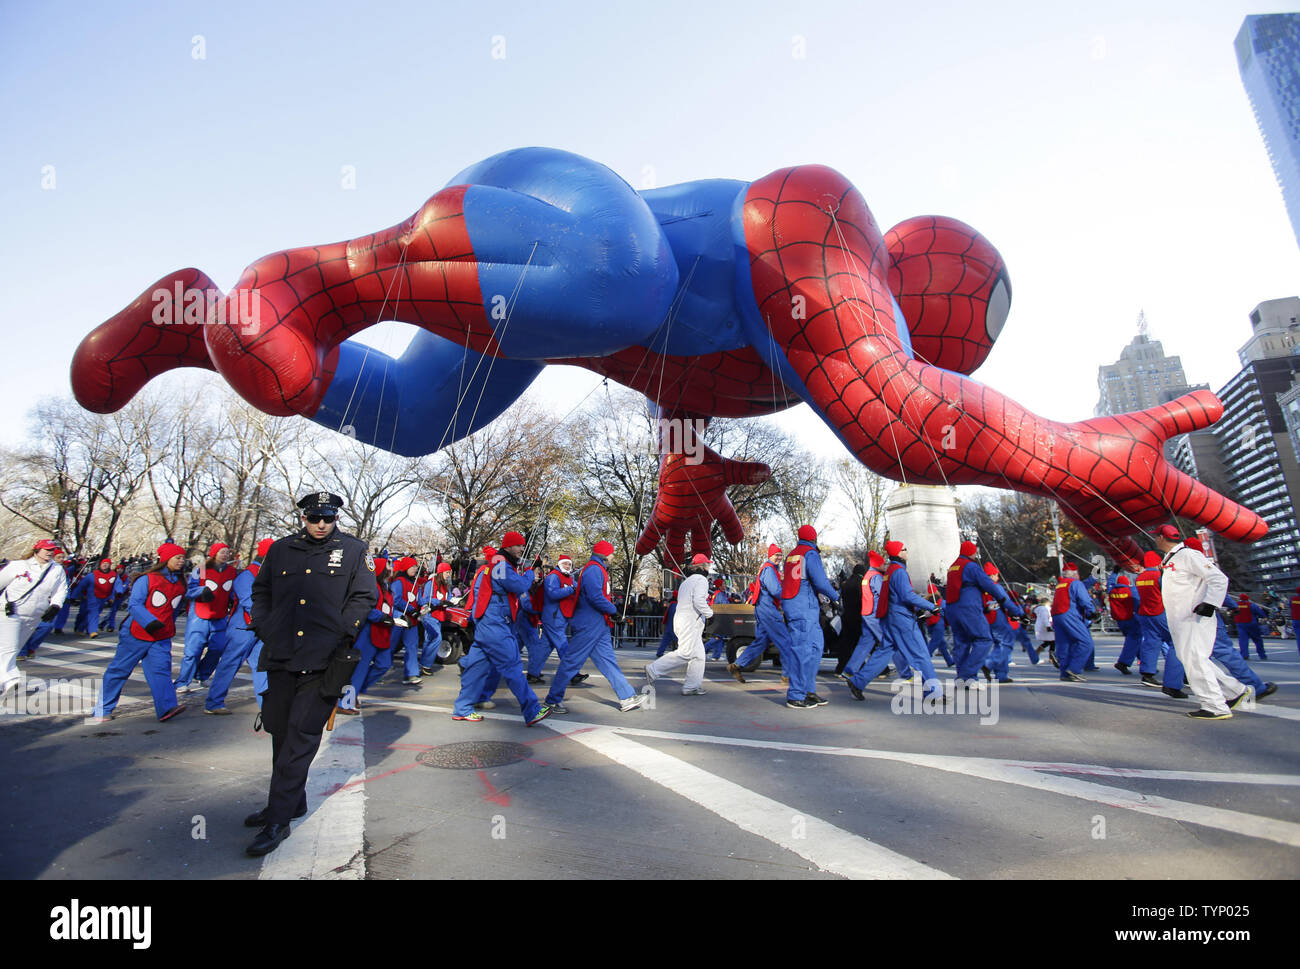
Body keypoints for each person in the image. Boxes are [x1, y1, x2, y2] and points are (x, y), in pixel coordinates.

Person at [244, 492, 375, 857]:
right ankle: (288, 802)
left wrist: (342, 630)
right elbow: (262, 590)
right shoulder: (282, 549)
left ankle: (279, 819)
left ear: (335, 518)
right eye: (314, 517)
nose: (321, 524)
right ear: (303, 517)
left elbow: (365, 595)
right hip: (282, 654)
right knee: (280, 731)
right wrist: (264, 624)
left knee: (301, 736)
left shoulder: (351, 550)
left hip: (324, 659)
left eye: (328, 518)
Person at [452, 532, 555, 724]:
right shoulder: (500, 565)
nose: (521, 549)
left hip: (488, 624)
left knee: (476, 667)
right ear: (508, 546)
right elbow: (516, 585)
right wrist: (531, 574)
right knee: (512, 665)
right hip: (496, 625)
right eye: (518, 546)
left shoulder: (494, 565)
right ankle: (532, 710)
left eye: (522, 546)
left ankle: (463, 708)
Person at [544, 540, 648, 714]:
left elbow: (596, 596)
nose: (613, 555)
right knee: (571, 662)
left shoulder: (595, 568)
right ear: (605, 553)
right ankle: (552, 700)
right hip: (589, 623)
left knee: (607, 662)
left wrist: (611, 612)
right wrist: (614, 611)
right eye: (612, 552)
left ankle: (627, 697)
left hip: (596, 623)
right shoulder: (594, 569)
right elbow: (595, 596)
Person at [91, 542, 189, 723]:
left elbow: (174, 609)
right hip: (136, 633)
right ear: (166, 559)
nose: (181, 561)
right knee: (119, 670)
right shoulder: (147, 579)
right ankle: (102, 709)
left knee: (161, 671)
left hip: (161, 636)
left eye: (183, 558)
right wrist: (149, 621)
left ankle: (166, 707)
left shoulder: (180, 583)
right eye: (178, 557)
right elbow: (134, 604)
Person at [1152, 524, 1241, 720]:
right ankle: (1234, 691)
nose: (1155, 540)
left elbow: (1219, 579)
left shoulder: (1189, 555)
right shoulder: (1172, 559)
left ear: (1161, 538)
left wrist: (1210, 604)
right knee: (1192, 658)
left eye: (1156, 537)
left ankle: (1215, 706)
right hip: (1181, 617)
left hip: (1194, 616)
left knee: (1195, 659)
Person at [204, 539, 274, 715]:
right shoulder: (247, 575)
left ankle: (266, 706)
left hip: (261, 628)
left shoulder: (268, 574)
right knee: (230, 663)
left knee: (261, 666)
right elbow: (248, 601)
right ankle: (214, 702)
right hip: (242, 628)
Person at [0, 539, 68, 699]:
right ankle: (12, 680)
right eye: (46, 549)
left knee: (15, 647)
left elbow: (61, 589)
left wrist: (55, 605)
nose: (50, 552)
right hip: (10, 612)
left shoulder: (57, 569)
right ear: (37, 550)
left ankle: (4, 680)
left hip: (35, 614)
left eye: (52, 550)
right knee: (8, 648)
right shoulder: (19, 566)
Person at [946, 540, 1019, 688]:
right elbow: (989, 585)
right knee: (984, 639)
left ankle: (967, 680)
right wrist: (1011, 607)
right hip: (968, 607)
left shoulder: (952, 567)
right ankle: (967, 675)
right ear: (972, 552)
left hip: (952, 607)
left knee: (962, 644)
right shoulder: (971, 567)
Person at [780, 525, 839, 709]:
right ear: (814, 538)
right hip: (803, 606)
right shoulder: (810, 553)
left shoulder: (792, 554)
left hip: (800, 606)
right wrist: (837, 597)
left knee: (815, 647)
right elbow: (820, 581)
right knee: (803, 650)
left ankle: (808, 690)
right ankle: (796, 695)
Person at [336, 557, 396, 714]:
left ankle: (355, 691)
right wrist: (382, 617)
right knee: (359, 669)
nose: (391, 568)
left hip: (383, 632)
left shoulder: (386, 587)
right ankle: (345, 703)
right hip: (368, 632)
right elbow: (366, 608)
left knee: (384, 664)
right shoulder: (373, 588)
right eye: (388, 565)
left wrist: (395, 619)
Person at [645, 553, 713, 694]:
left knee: (698, 655)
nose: (709, 566)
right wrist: (710, 614)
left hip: (683, 620)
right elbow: (699, 601)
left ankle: (691, 686)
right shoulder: (701, 580)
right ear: (703, 566)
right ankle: (653, 669)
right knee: (686, 653)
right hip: (690, 622)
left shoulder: (687, 581)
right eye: (708, 564)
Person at [176, 543, 238, 693]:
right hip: (200, 615)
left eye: (227, 552)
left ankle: (202, 675)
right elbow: (190, 590)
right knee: (193, 650)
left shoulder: (232, 571)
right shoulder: (202, 570)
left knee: (218, 648)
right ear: (214, 554)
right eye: (222, 552)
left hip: (220, 616)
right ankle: (183, 681)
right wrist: (202, 591)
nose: (225, 555)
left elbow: (233, 592)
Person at [730, 544, 790, 683]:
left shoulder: (767, 569)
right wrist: (789, 596)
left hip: (762, 609)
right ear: (770, 556)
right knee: (785, 641)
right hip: (768, 610)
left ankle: (737, 665)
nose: (779, 558)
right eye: (776, 555)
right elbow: (775, 590)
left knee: (761, 642)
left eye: (780, 555)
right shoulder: (769, 570)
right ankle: (787, 675)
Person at [840, 550, 892, 700]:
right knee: (887, 644)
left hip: (865, 613)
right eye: (883, 563)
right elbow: (883, 594)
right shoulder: (875, 577)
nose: (885, 565)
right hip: (874, 614)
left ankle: (850, 670)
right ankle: (902, 672)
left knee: (865, 644)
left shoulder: (867, 576)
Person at [1134, 550, 1186, 696]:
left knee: (1151, 642)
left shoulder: (1140, 578)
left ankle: (1147, 673)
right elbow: (1170, 593)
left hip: (1145, 614)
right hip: (1160, 612)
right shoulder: (1159, 576)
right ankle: (1176, 679)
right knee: (1176, 643)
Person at [528, 554, 576, 683]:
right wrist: (571, 590)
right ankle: (572, 673)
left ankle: (533, 673)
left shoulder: (567, 578)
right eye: (565, 563)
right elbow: (553, 594)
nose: (567, 566)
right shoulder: (554, 576)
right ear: (560, 564)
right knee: (562, 644)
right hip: (554, 616)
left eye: (569, 564)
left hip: (558, 615)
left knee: (545, 646)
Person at [1050, 562, 1096, 683]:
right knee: (1085, 642)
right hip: (1069, 614)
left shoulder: (1060, 584)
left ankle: (1064, 672)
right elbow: (1084, 599)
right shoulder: (1075, 583)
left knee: (1064, 644)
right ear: (1076, 573)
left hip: (1057, 616)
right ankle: (1074, 669)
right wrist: (1092, 611)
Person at [980, 562, 1018, 684]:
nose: (998, 578)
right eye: (996, 575)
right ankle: (988, 663)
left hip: (986, 618)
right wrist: (1018, 613)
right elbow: (1006, 602)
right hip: (997, 617)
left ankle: (1001, 674)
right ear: (991, 575)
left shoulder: (979, 586)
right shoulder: (995, 586)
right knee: (1007, 642)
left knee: (999, 645)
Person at [418, 561, 453, 673]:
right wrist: (439, 602)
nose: (448, 575)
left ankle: (422, 664)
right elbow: (425, 599)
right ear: (441, 572)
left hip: (439, 616)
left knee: (429, 640)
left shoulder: (446, 585)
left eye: (449, 573)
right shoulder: (431, 583)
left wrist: (450, 601)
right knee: (437, 638)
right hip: (429, 614)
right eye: (447, 572)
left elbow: (449, 596)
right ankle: (426, 664)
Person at [1109, 576, 1146, 676]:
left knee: (1133, 641)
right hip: (1131, 618)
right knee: (1134, 640)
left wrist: (1114, 573)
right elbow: (1138, 601)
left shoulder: (1112, 590)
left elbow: (1110, 582)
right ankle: (1123, 662)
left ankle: (1146, 664)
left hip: (1120, 620)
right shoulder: (1131, 590)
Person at [834, 563, 865, 676]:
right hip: (858, 616)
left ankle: (840, 667)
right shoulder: (861, 583)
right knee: (860, 643)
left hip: (846, 616)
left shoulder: (846, 584)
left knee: (846, 643)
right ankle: (857, 667)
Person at [85, 557, 122, 638]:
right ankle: (93, 631)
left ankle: (88, 628)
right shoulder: (93, 575)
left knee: (97, 612)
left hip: (105, 597)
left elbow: (118, 584)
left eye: (107, 564)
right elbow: (82, 585)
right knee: (93, 613)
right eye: (103, 563)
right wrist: (74, 596)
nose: (105, 565)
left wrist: (119, 592)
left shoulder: (114, 575)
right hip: (93, 596)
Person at [1233, 594, 1269, 661]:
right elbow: (1261, 613)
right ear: (1247, 599)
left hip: (1240, 624)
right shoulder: (1251, 605)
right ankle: (1262, 655)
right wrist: (1264, 616)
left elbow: (1232, 612)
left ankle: (1244, 655)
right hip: (1251, 623)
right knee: (1257, 640)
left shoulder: (1236, 604)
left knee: (1243, 640)